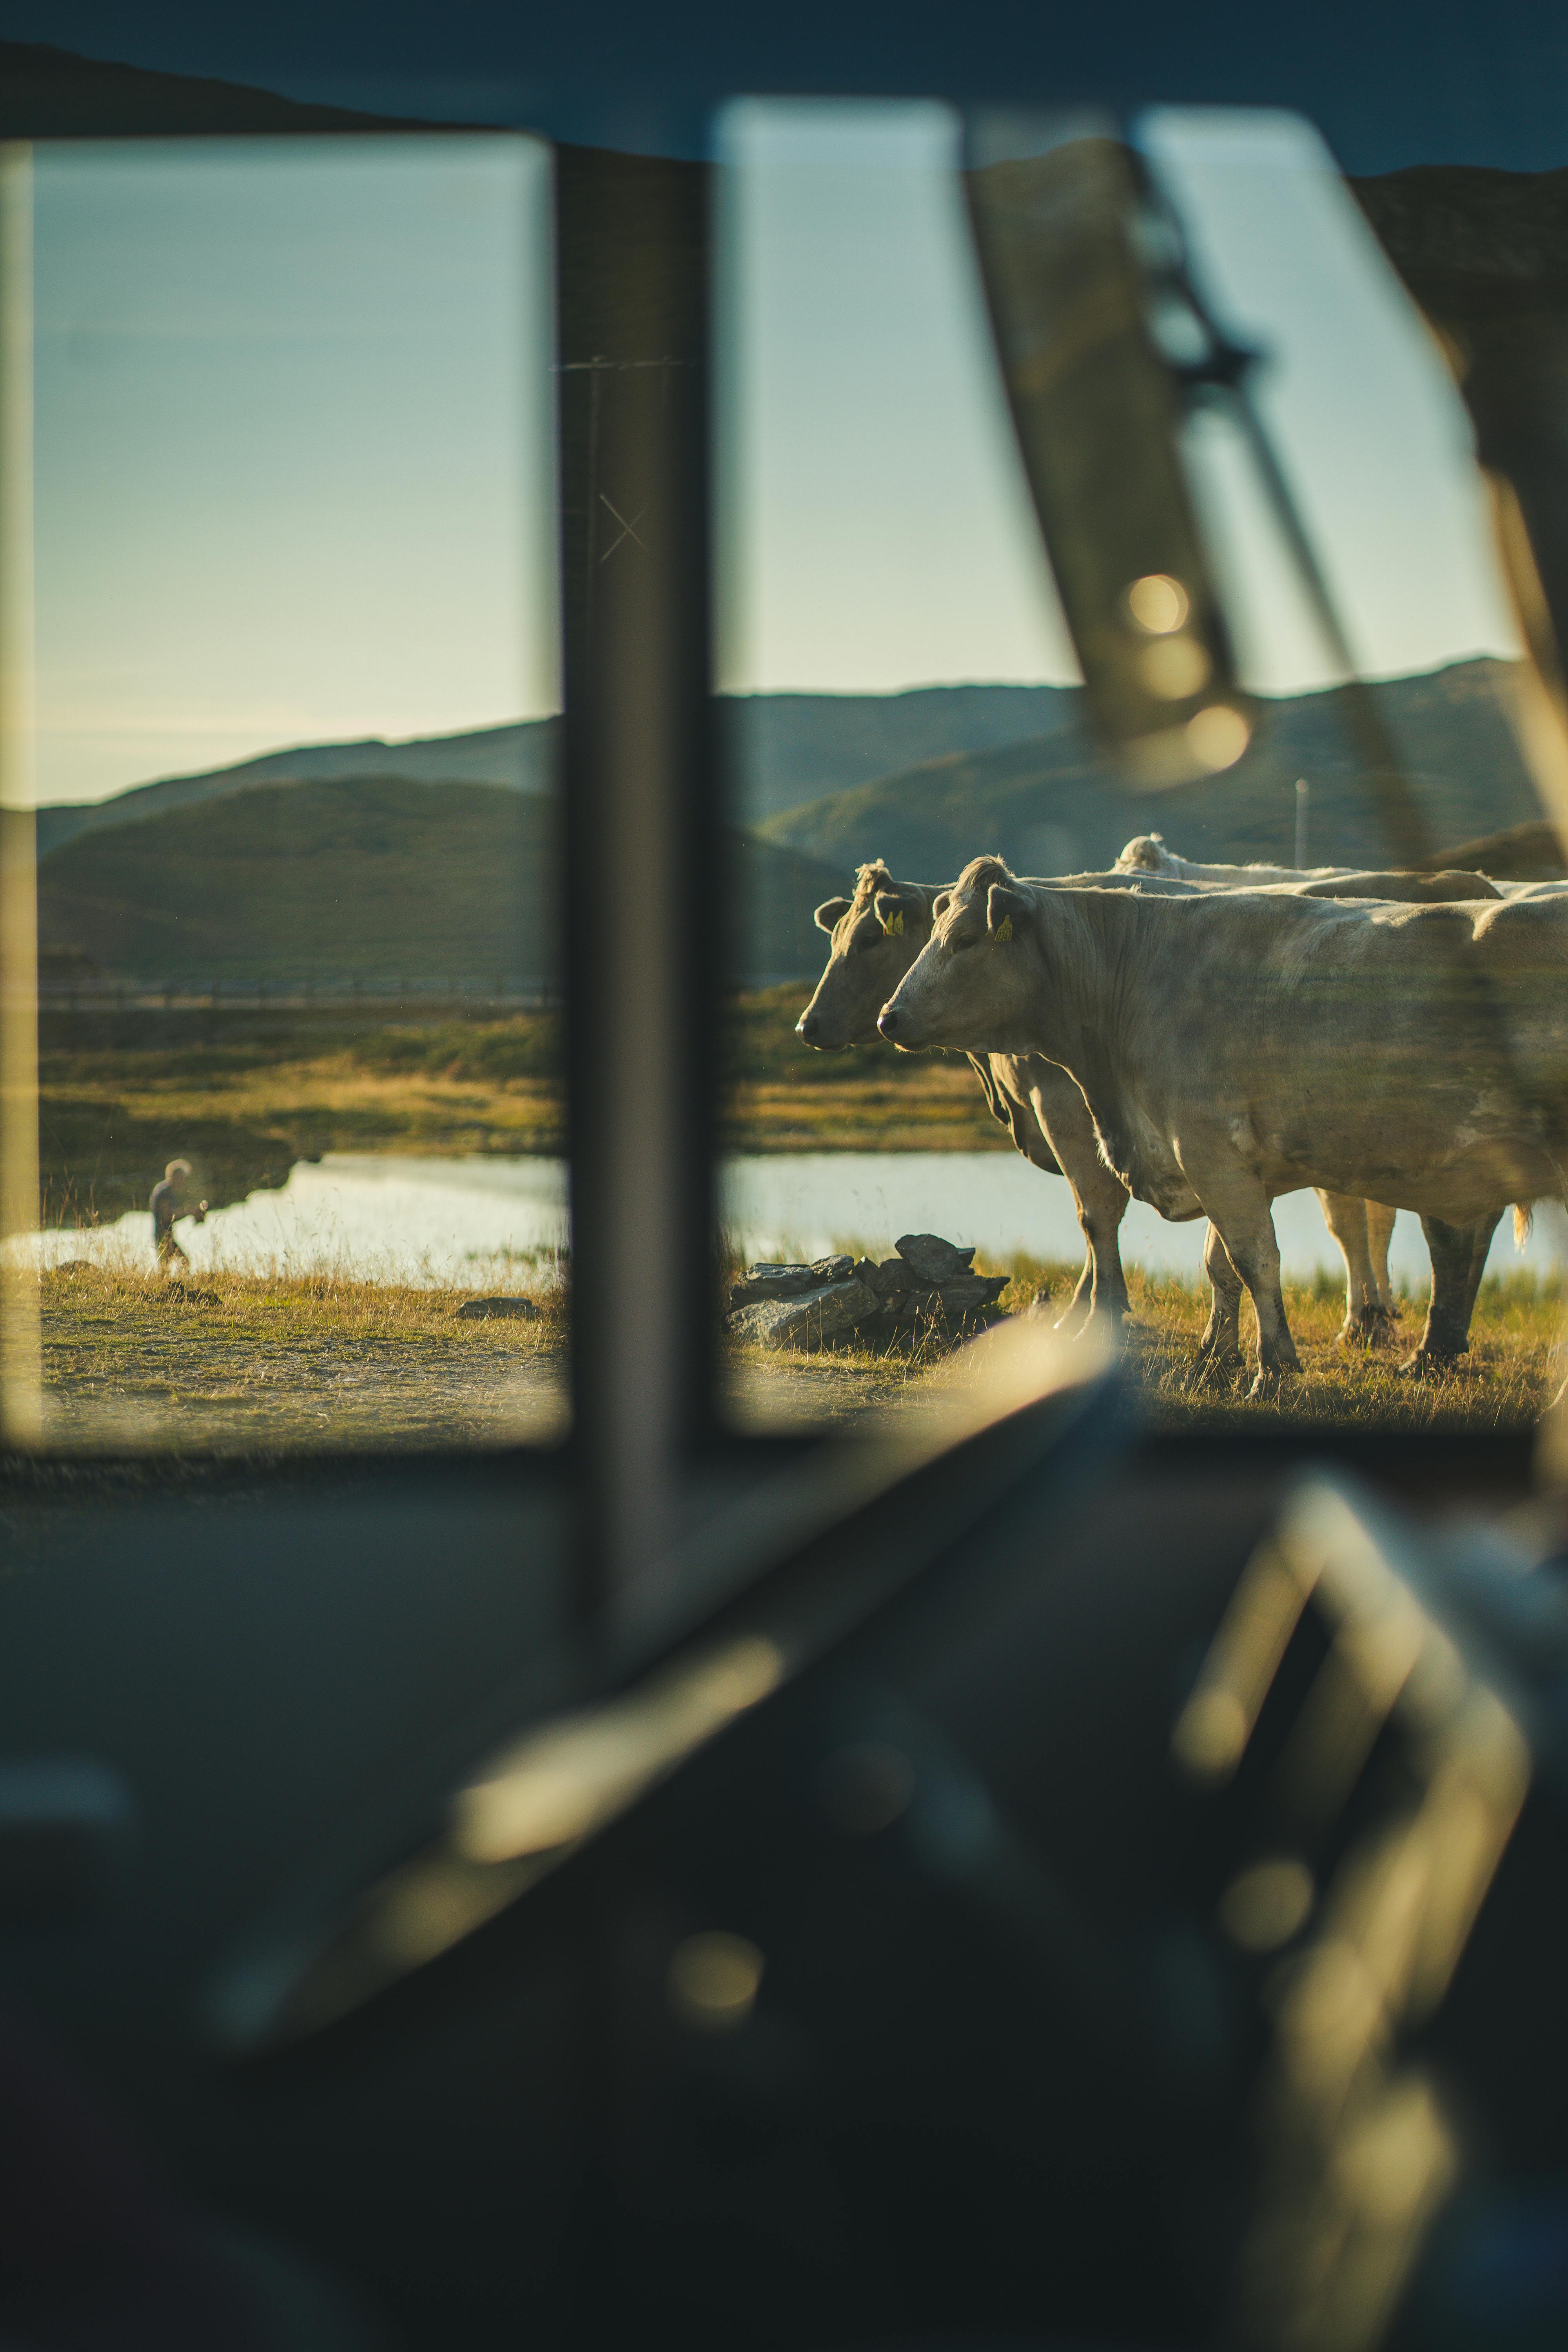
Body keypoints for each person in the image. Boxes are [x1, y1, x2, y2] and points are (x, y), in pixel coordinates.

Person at [149, 1160, 207, 1269]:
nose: (183, 1181)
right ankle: (180, 1285)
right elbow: (167, 1216)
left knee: (169, 1266)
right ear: (174, 1176)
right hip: (163, 1236)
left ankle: (175, 1285)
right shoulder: (164, 1192)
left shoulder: (167, 1191)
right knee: (181, 1263)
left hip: (167, 1235)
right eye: (182, 1178)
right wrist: (189, 1212)